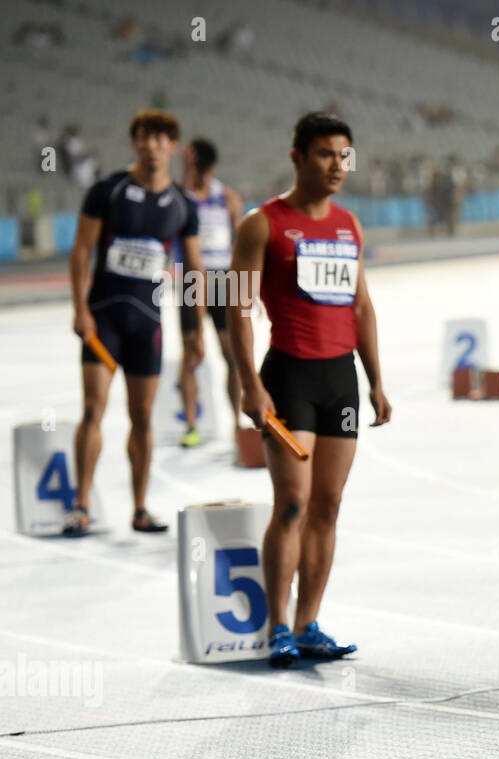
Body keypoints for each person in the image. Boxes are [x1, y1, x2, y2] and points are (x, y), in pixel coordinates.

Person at [228, 112, 392, 668]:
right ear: (297, 156)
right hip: (289, 377)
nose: (337, 166)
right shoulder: (262, 224)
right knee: (293, 503)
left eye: (345, 155)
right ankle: (277, 625)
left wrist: (377, 382)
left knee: (328, 504)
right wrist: (249, 385)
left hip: (339, 380)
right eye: (325, 154)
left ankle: (308, 623)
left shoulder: (349, 225)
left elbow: (362, 307)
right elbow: (238, 308)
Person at [66, 109, 205, 536]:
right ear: (134, 143)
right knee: (93, 409)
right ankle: (81, 506)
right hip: (103, 320)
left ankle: (140, 508)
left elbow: (195, 269)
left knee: (143, 418)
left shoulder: (183, 204)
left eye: (161, 139)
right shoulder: (107, 191)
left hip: (148, 324)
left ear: (172, 148)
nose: (152, 146)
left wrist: (194, 330)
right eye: (144, 138)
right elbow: (80, 251)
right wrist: (80, 309)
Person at [178, 137, 244, 446]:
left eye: (189, 160)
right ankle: (191, 426)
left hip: (222, 279)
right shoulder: (180, 198)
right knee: (192, 353)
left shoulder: (226, 197)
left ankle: (237, 423)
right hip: (192, 280)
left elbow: (241, 243)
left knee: (231, 353)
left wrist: (246, 286)